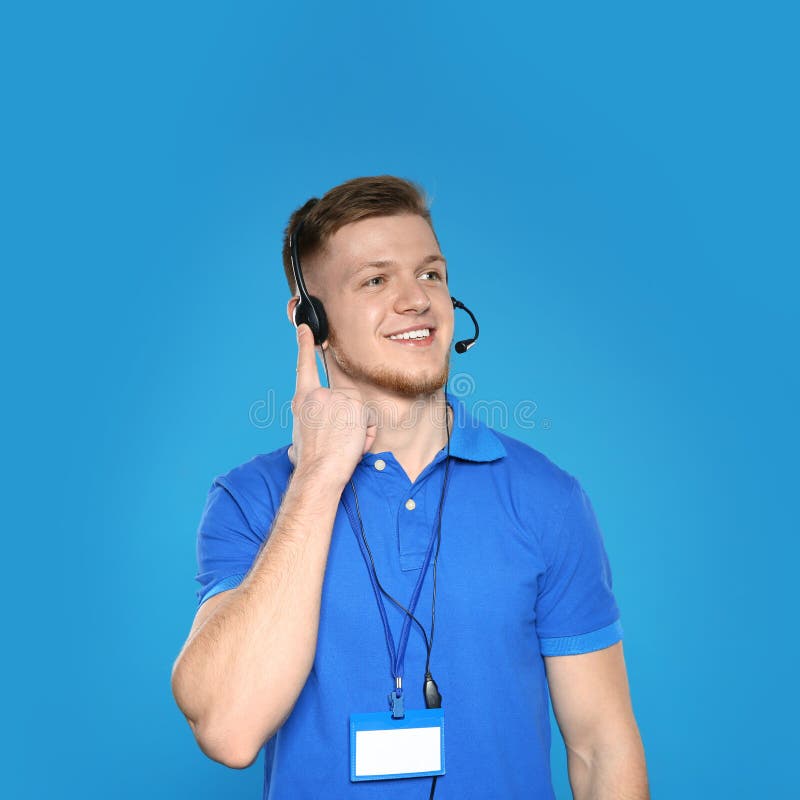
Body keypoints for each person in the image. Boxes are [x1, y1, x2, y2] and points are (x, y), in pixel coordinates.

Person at [170, 175, 650, 799]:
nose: (416, 300)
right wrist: (318, 475)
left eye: (430, 274)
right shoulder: (251, 499)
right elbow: (229, 731)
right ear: (309, 321)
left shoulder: (547, 498)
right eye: (375, 280)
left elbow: (600, 746)